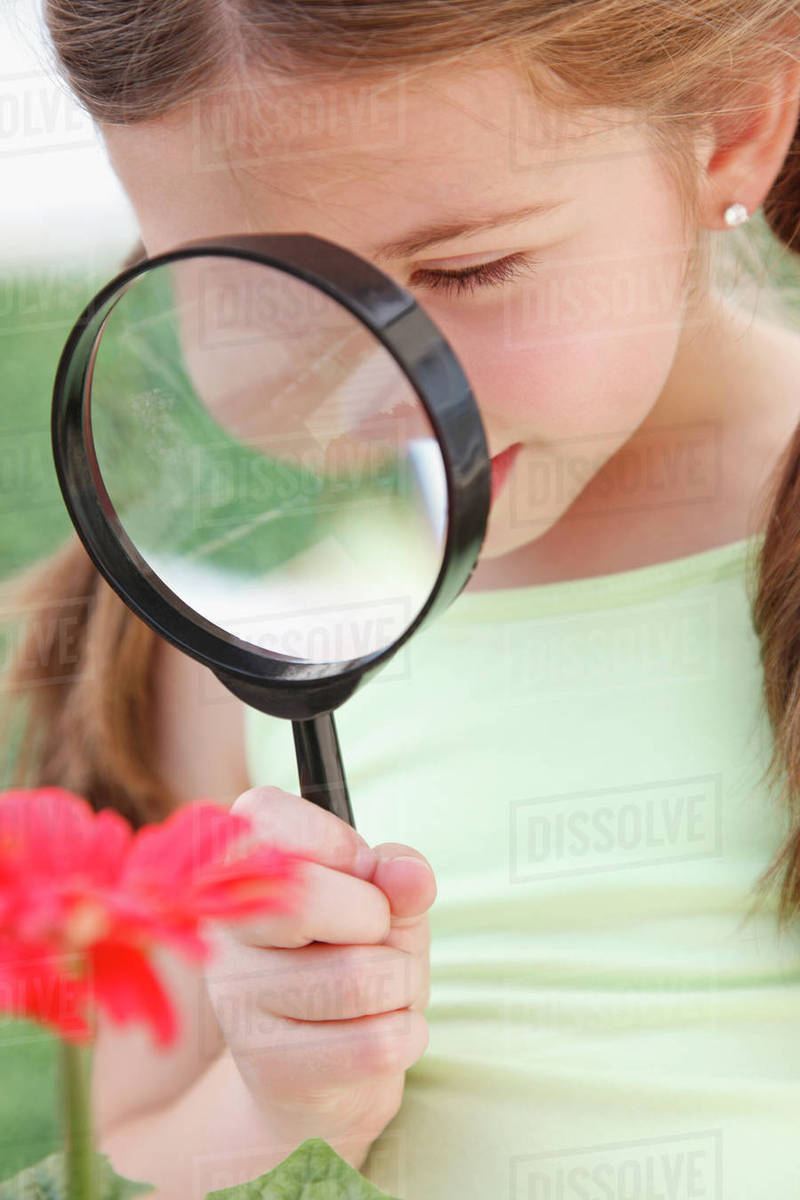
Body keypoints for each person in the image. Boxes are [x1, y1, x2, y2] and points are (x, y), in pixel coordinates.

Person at [4, 2, 800, 1196]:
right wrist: (273, 1098)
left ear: (730, 128)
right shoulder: (230, 624)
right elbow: (109, 1162)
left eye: (469, 268)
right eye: (266, 293)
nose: (374, 395)